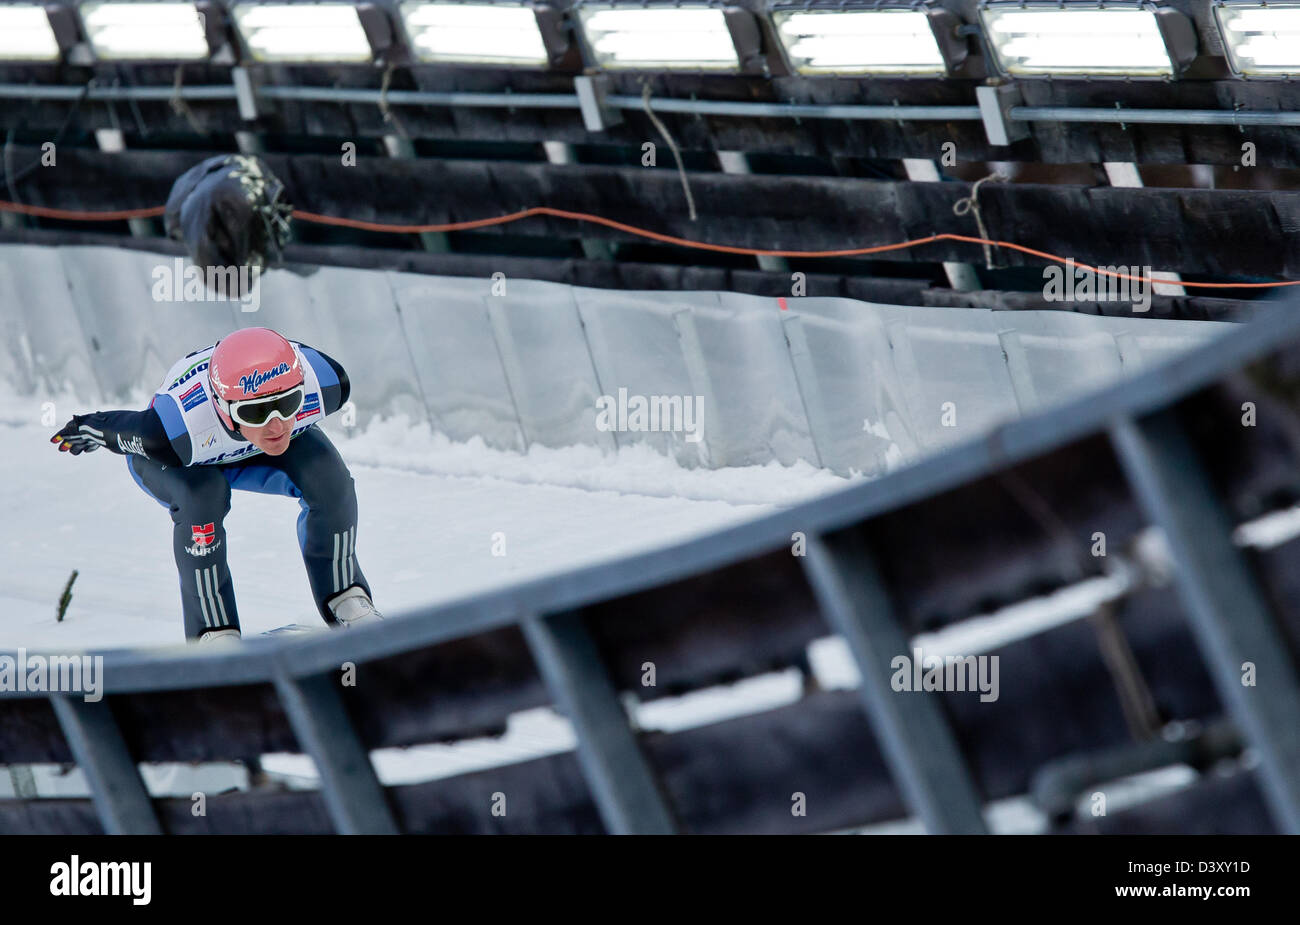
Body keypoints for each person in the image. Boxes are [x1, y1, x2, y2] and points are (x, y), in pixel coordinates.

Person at [50, 327, 382, 644]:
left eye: (289, 403)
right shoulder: (171, 432)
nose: (276, 424)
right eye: (257, 412)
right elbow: (117, 427)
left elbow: (279, 410)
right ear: (224, 409)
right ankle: (213, 631)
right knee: (203, 497)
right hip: (187, 458)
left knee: (328, 477)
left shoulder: (326, 383)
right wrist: (88, 428)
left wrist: (265, 415)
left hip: (245, 445)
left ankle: (344, 595)